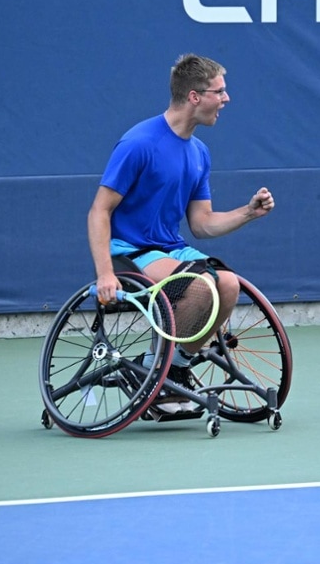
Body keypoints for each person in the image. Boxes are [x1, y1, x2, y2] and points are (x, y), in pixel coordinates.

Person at [87, 53, 275, 412]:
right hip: (127, 252)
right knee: (200, 286)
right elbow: (99, 210)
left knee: (228, 284)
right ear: (194, 96)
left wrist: (248, 213)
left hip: (170, 249)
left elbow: (202, 224)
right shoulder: (139, 143)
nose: (226, 99)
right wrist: (104, 273)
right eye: (219, 91)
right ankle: (156, 368)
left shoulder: (200, 153)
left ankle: (174, 366)